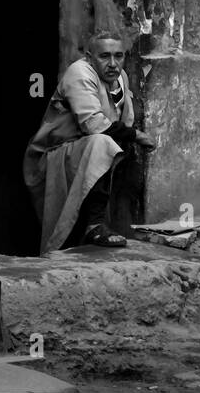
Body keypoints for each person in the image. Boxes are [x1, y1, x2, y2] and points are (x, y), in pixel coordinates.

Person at [23, 30, 157, 252]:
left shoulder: (120, 78)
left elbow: (123, 121)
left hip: (85, 154)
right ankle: (94, 225)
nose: (113, 63)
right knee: (101, 143)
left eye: (119, 56)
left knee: (103, 146)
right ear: (89, 57)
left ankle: (95, 227)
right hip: (53, 157)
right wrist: (138, 137)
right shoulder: (79, 72)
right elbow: (93, 124)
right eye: (105, 56)